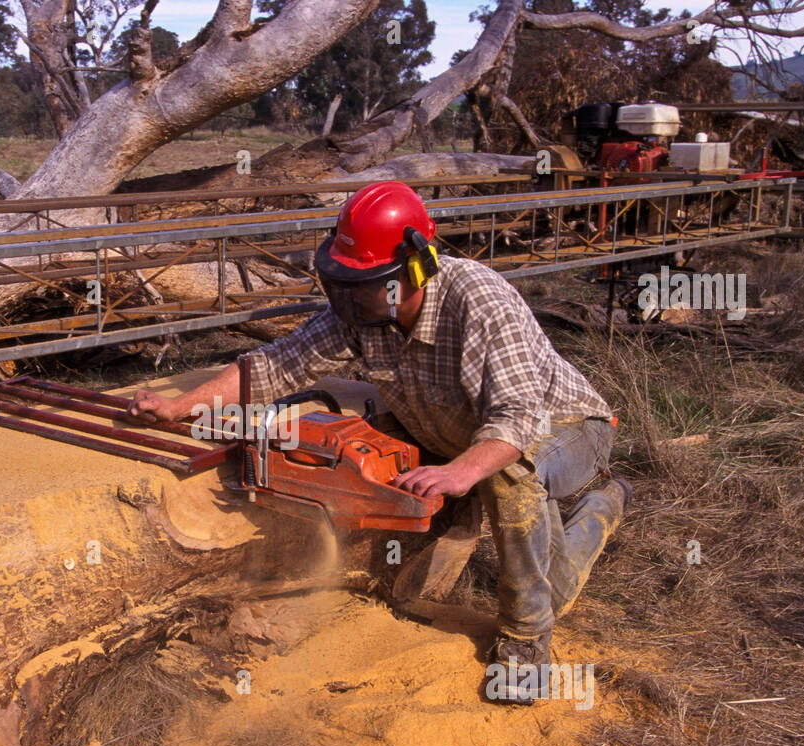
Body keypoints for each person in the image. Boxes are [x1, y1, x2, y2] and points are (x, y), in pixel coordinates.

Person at [127, 181, 631, 705]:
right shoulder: (363, 313)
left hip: (567, 428)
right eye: (341, 282)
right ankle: (589, 508)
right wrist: (182, 406)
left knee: (509, 477)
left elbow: (516, 421)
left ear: (416, 268)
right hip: (459, 429)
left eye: (363, 284)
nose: (348, 298)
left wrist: (460, 474)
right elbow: (279, 364)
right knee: (554, 582)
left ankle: (526, 640)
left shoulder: (478, 299)